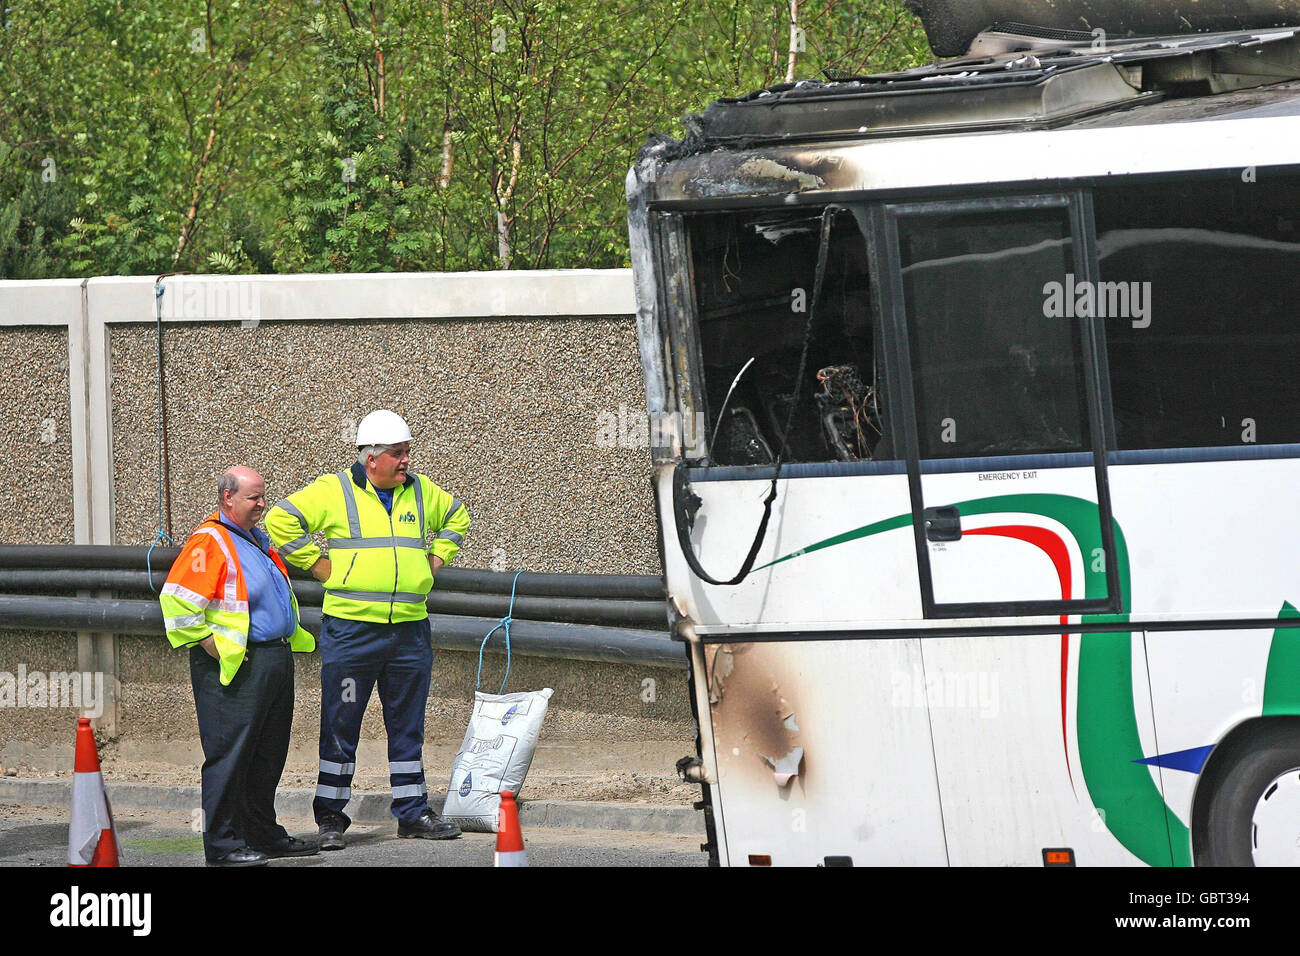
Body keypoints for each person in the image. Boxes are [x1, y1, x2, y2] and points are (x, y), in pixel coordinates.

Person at [265, 409, 470, 848]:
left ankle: (413, 813)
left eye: (407, 452)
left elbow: (457, 517)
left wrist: (433, 563)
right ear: (370, 457)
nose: (406, 461)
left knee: (407, 722)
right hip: (353, 633)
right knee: (342, 721)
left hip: (410, 632)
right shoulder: (334, 490)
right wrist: (320, 567)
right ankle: (331, 819)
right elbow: (281, 520)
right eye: (397, 453)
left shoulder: (421, 491)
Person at [159, 466, 318, 867]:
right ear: (227, 498)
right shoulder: (209, 541)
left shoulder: (255, 538)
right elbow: (177, 600)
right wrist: (211, 644)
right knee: (230, 756)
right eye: (254, 497)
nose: (262, 504)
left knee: (267, 754)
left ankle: (261, 834)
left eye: (263, 496)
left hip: (273, 658)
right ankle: (224, 845)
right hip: (236, 666)